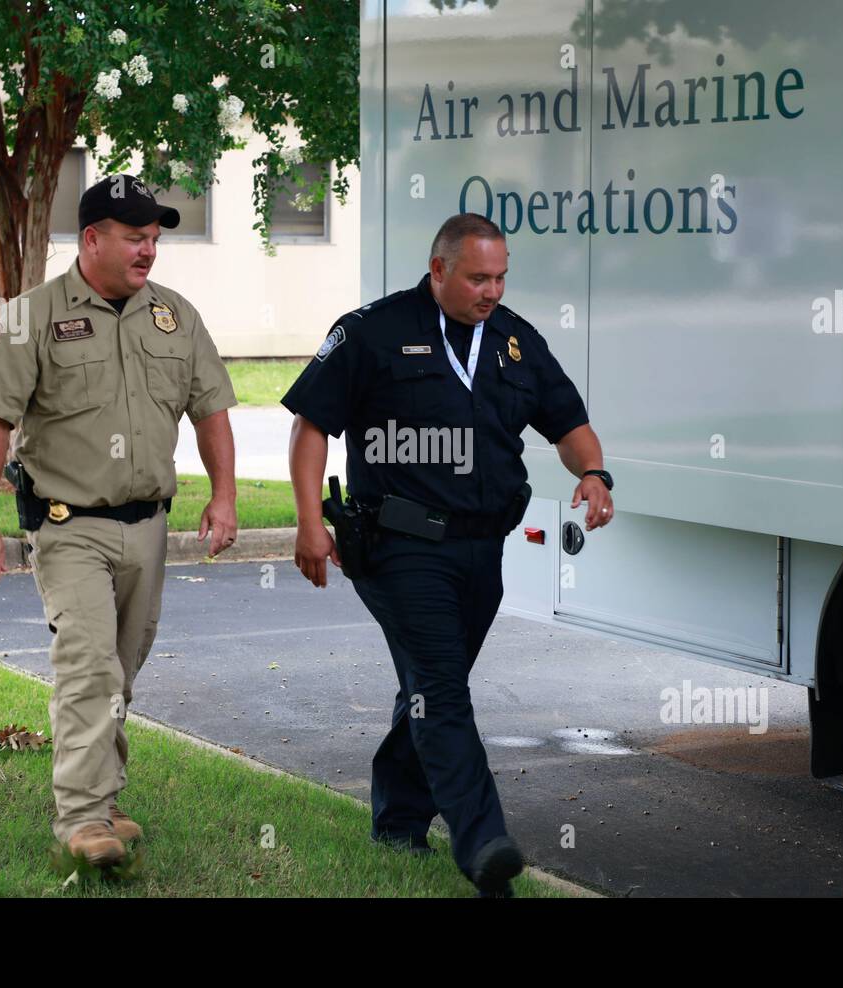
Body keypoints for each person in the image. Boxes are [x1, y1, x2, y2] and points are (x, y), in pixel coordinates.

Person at [283, 213, 615, 896]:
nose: (491, 290)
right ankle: (482, 840)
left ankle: (399, 820)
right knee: (442, 686)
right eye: (477, 278)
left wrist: (594, 473)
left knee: (432, 688)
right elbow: (312, 424)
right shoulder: (371, 330)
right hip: (398, 544)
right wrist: (308, 521)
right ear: (439, 270)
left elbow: (568, 423)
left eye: (500, 276)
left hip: (479, 550)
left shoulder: (515, 341)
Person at [0, 173, 238, 867]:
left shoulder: (175, 315)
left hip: (148, 526)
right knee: (88, 668)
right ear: (91, 239)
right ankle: (81, 820)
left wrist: (224, 495)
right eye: (135, 237)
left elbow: (212, 412)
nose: (149, 251)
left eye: (154, 239)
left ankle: (106, 797)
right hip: (68, 525)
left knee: (122, 668)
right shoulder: (30, 315)